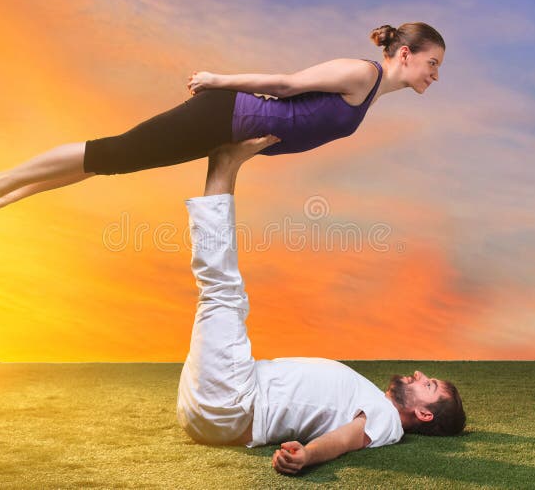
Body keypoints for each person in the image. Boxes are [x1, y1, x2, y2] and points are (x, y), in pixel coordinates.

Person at [0, 22, 445, 220]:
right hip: (224, 115)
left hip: (227, 130)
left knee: (110, 163)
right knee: (111, 151)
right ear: (406, 53)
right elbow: (288, 84)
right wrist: (218, 78)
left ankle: (0, 197)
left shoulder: (374, 91)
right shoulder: (362, 72)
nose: (435, 75)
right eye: (432, 64)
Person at [179, 135, 465, 475]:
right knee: (225, 296)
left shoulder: (387, 421)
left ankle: (224, 163)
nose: (419, 374)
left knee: (222, 290)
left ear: (424, 414)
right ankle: (222, 162)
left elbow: (345, 439)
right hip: (231, 395)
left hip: (233, 401)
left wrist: (308, 456)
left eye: (428, 385)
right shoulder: (373, 400)